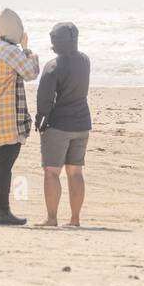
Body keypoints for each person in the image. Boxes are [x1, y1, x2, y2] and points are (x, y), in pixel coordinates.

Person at [0, 8, 40, 226]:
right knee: (3, 167)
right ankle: (3, 211)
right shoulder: (11, 51)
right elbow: (31, 72)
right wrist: (27, 48)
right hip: (8, 119)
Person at [35, 22, 92, 227]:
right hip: (82, 123)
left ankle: (51, 219)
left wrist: (41, 122)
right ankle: (75, 219)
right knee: (75, 173)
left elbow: (45, 100)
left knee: (52, 172)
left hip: (59, 126)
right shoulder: (85, 61)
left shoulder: (53, 67)